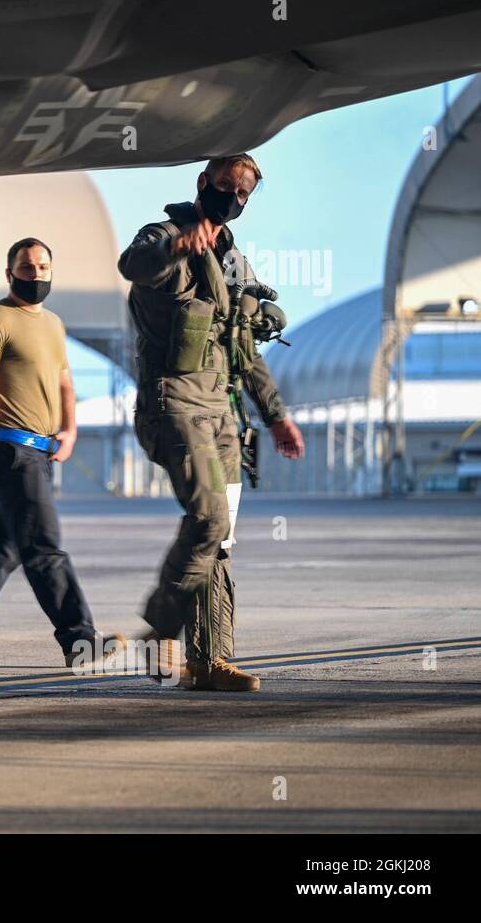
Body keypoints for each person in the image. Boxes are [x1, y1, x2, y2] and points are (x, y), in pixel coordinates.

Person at [118, 153, 305, 691]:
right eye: (226, 186)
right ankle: (160, 629)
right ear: (203, 183)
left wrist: (276, 416)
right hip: (174, 404)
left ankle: (210, 661)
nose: (233, 198)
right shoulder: (164, 236)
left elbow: (244, 348)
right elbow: (134, 265)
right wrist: (180, 244)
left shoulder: (234, 261)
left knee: (219, 539)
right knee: (207, 519)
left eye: (243, 193)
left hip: (222, 414)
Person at [0, 237, 121, 668]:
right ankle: (80, 640)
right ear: (9, 273)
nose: (36, 275)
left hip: (41, 452)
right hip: (10, 450)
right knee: (44, 547)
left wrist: (70, 430)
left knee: (3, 547)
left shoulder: (52, 324)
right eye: (27, 268)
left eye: (42, 267)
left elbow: (65, 382)